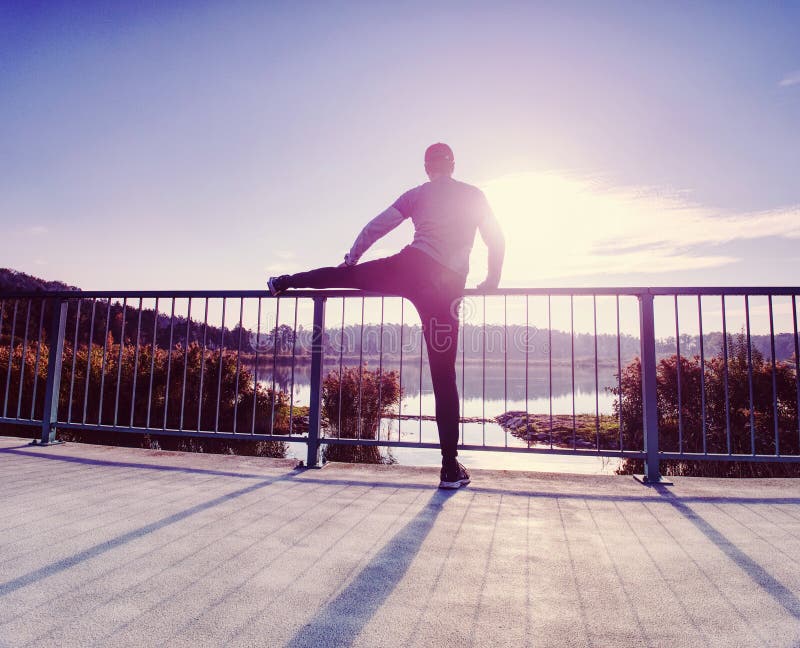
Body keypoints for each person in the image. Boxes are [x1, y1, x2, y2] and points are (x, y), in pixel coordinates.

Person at [268, 143, 505, 489]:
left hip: (410, 269)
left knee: (345, 276)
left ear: (427, 168)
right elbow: (496, 239)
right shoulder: (473, 195)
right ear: (453, 165)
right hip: (447, 289)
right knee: (444, 377)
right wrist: (492, 281)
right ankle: (450, 468)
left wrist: (354, 256)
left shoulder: (417, 195)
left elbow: (378, 226)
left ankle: (283, 282)